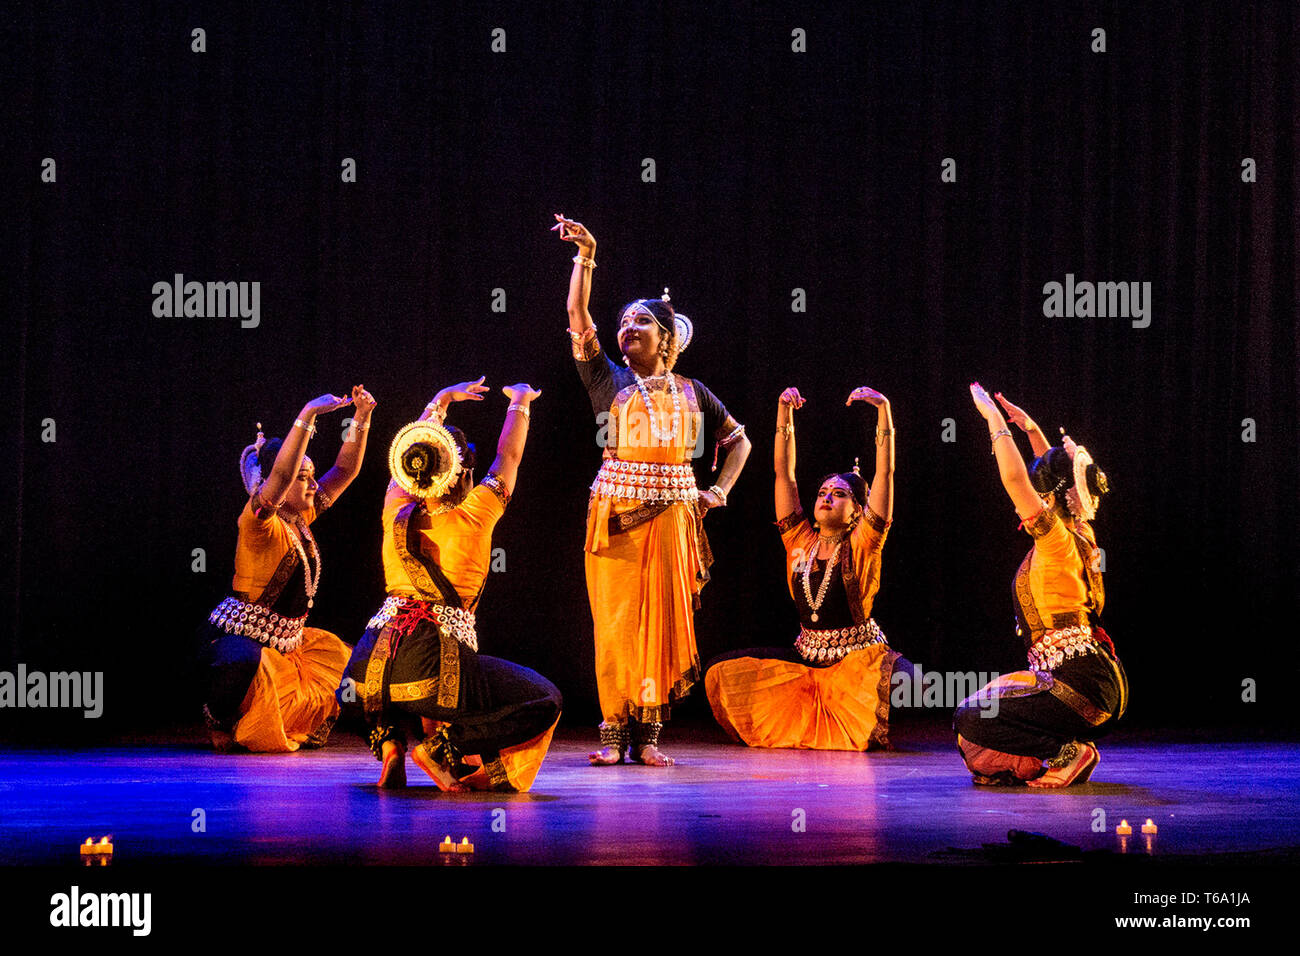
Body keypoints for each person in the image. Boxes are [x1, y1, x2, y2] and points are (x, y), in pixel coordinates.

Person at [553, 213, 752, 766]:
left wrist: (720, 491)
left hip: (673, 523)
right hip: (615, 518)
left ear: (667, 338)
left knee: (660, 625)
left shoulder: (694, 392)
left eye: (640, 322)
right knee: (616, 626)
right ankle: (613, 733)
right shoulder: (606, 380)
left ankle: (649, 738)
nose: (627, 329)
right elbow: (576, 314)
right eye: (622, 322)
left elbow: (740, 443)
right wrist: (586, 255)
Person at [342, 378, 561, 792]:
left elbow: (414, 458)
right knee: (544, 700)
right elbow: (509, 454)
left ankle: (390, 745)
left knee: (364, 691)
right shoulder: (478, 510)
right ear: (464, 471)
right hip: (433, 667)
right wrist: (519, 402)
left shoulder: (395, 505)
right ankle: (441, 749)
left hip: (364, 673)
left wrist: (439, 401)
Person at [705, 385, 903, 750]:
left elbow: (885, 475)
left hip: (858, 661)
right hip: (807, 658)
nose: (827, 496)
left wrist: (883, 410)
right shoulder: (799, 541)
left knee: (915, 688)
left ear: (859, 511)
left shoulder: (863, 542)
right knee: (723, 669)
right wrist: (784, 412)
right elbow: (784, 475)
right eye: (823, 492)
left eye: (840, 493)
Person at [953, 384, 1126, 787]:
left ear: (1047, 496)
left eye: (1039, 491)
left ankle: (1069, 753)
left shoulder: (1055, 538)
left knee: (970, 716)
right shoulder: (1081, 532)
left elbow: (1015, 480)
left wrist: (993, 421)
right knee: (977, 718)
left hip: (1078, 682)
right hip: (1095, 682)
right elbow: (1064, 480)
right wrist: (1032, 430)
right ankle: (1061, 751)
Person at [202, 386, 376, 752]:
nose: (313, 484)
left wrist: (361, 417)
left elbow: (344, 470)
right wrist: (308, 414)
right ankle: (220, 717)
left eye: (311, 475)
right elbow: (279, 479)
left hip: (288, 646)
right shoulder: (259, 523)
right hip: (241, 640)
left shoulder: (301, 516)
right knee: (241, 660)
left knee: (349, 667)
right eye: (303, 476)